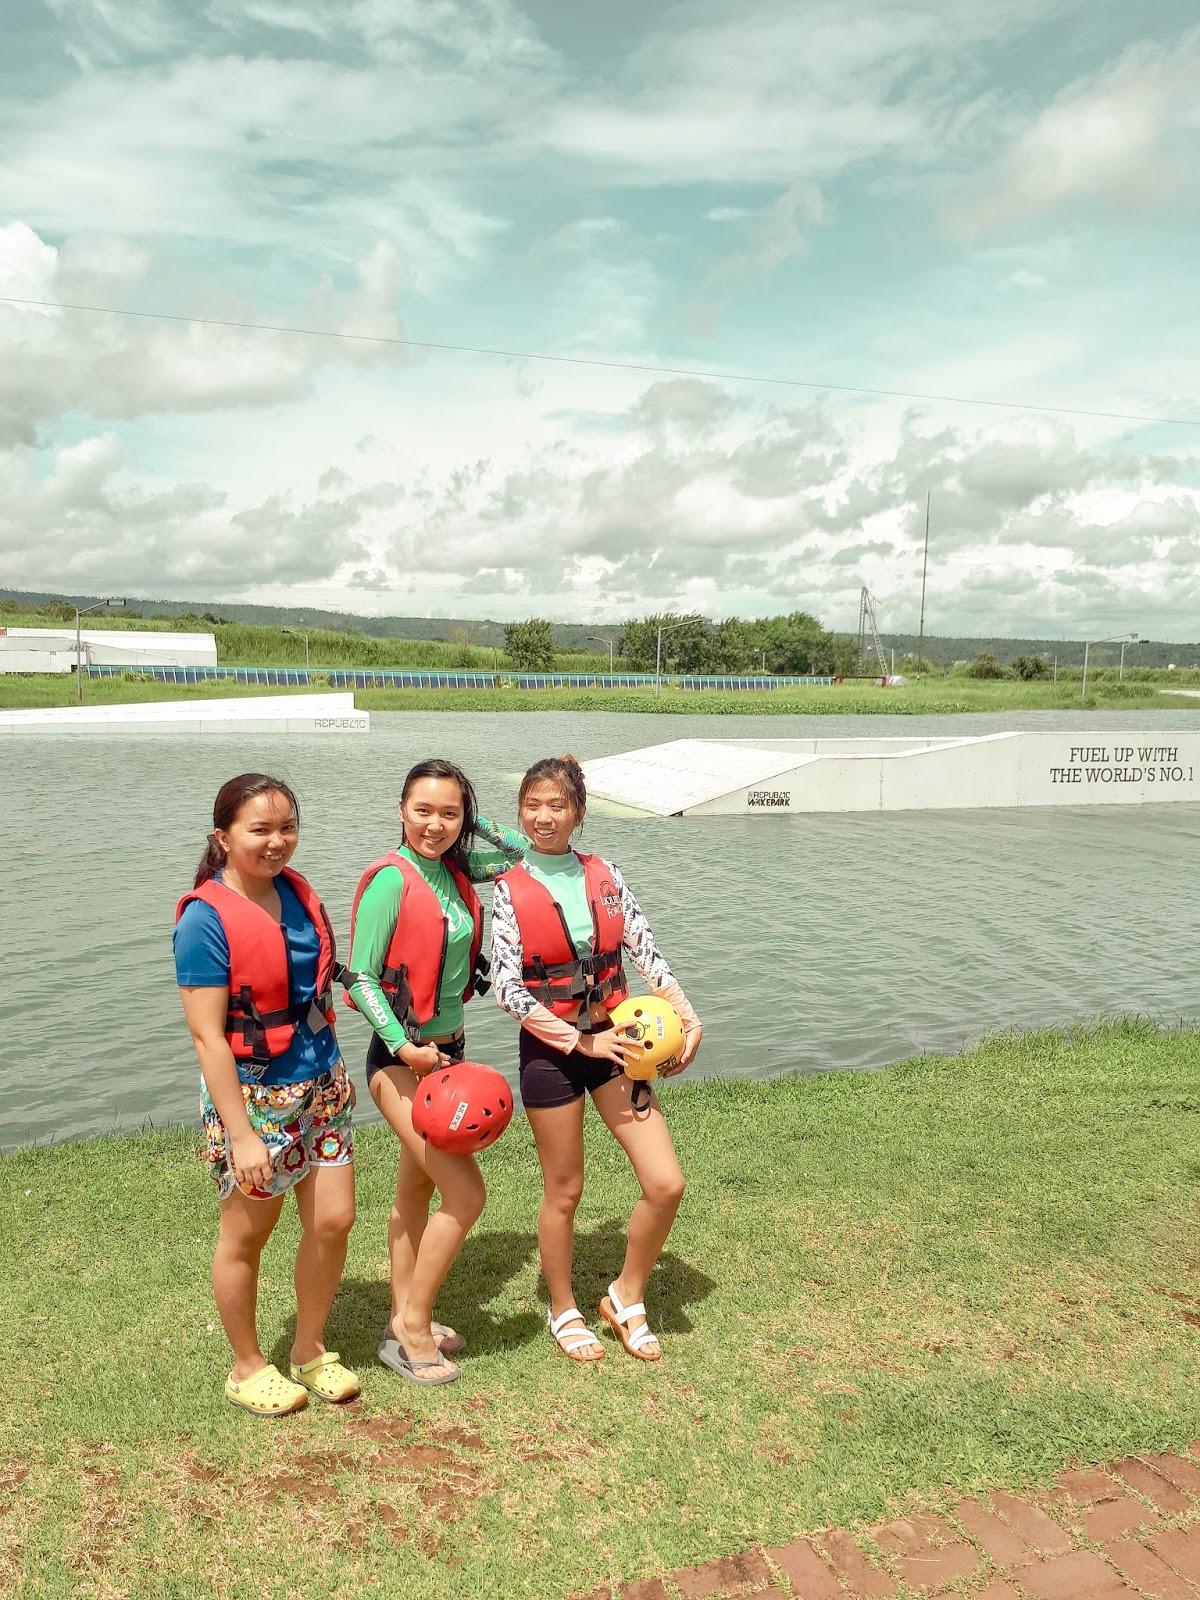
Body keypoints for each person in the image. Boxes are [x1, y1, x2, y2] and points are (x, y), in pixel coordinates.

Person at [491, 755, 702, 1363]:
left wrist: (687, 1017)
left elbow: (646, 952)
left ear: (578, 812)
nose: (543, 816)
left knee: (665, 1183)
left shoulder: (604, 874)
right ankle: (563, 1307)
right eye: (532, 804)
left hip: (619, 1045)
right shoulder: (508, 890)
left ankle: (625, 1296)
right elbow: (508, 988)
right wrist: (578, 1041)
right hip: (553, 1053)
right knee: (565, 1190)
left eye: (556, 805)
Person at [174, 773, 358, 1417]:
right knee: (247, 1234)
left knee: (334, 1221)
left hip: (322, 1089)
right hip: (254, 1101)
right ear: (223, 836)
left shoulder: (298, 895)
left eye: (287, 828)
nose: (277, 842)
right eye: (260, 830)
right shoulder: (204, 920)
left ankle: (309, 1349)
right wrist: (243, 1133)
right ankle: (247, 1366)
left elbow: (319, 991)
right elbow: (207, 1038)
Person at [344, 758, 524, 1386]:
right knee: (466, 1193)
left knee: (415, 1192)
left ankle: (403, 1314)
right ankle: (413, 1329)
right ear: (400, 810)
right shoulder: (391, 882)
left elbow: (523, 853)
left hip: (449, 1053)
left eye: (450, 813)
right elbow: (360, 976)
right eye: (423, 811)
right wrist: (403, 1043)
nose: (435, 825)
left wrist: (480, 825)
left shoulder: (455, 871)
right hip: (399, 1060)